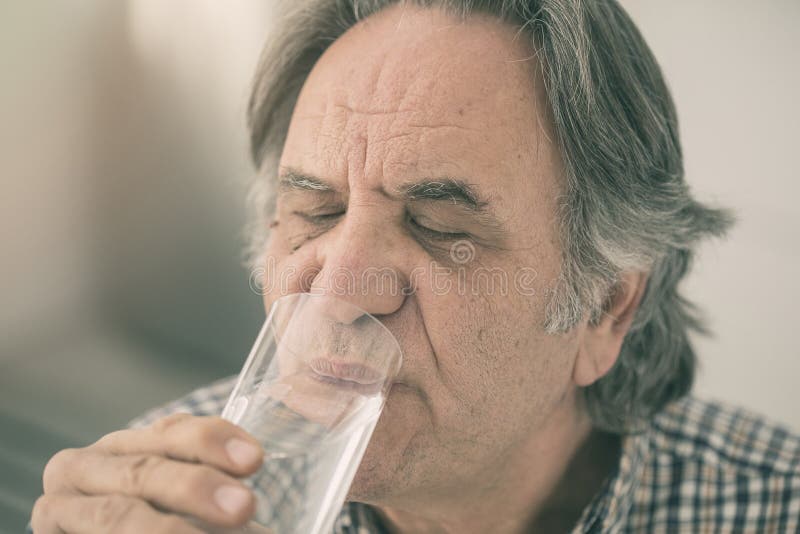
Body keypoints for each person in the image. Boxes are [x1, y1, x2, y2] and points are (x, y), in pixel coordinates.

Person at [30, 1, 800, 532]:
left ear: (606, 309)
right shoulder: (172, 496)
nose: (335, 289)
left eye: (438, 229)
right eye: (316, 213)